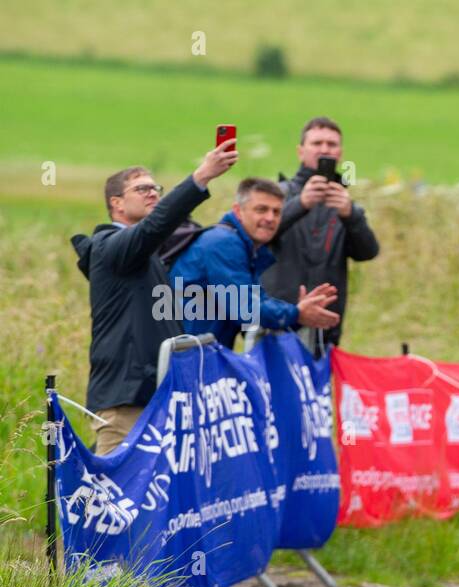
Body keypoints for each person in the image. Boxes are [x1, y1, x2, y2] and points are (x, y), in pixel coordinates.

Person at [71, 142, 239, 454]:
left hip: (156, 396)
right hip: (125, 402)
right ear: (116, 203)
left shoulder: (147, 257)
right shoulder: (109, 246)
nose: (152, 192)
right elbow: (154, 226)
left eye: (155, 188)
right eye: (141, 188)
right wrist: (201, 177)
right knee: (116, 496)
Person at [169, 178, 340, 349]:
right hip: (183, 354)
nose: (270, 218)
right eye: (261, 210)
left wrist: (298, 313)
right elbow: (246, 308)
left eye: (277, 212)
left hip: (200, 351)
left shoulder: (246, 247)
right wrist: (296, 314)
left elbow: (258, 301)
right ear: (238, 211)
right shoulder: (223, 243)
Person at [260, 117, 380, 353]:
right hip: (278, 320)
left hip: (325, 326)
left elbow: (368, 252)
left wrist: (350, 215)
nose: (325, 149)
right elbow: (258, 235)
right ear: (300, 151)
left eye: (332, 144)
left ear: (340, 153)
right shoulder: (277, 195)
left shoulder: (344, 203)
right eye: (317, 143)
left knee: (319, 389)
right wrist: (300, 204)